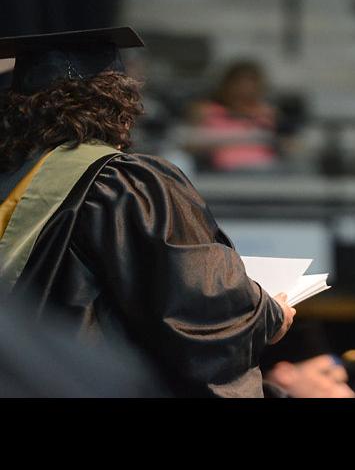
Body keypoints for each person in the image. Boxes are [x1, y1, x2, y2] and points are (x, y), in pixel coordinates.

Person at [0, 27, 295, 397]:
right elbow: (197, 304)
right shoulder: (123, 182)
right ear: (118, 104)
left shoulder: (14, 183)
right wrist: (268, 312)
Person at [186, 59, 280, 172]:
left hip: (266, 170)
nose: (244, 89)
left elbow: (283, 142)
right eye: (238, 83)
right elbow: (189, 143)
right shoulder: (205, 111)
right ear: (226, 85)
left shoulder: (268, 113)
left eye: (251, 84)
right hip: (222, 172)